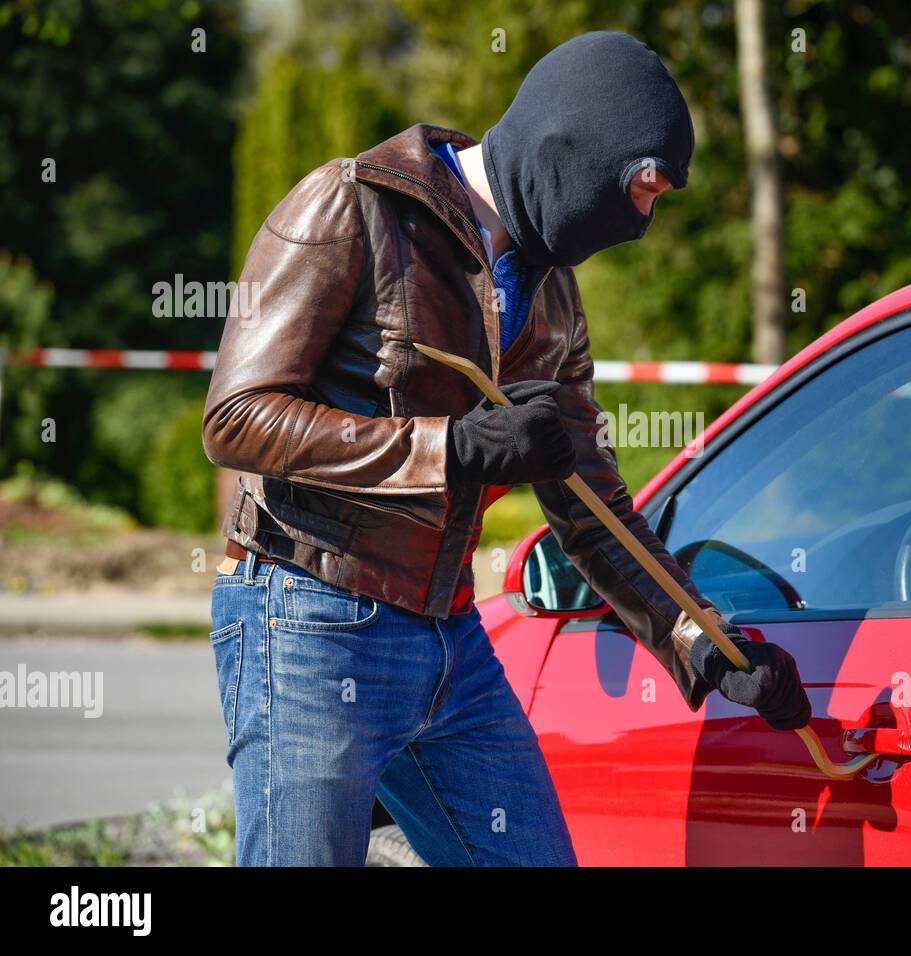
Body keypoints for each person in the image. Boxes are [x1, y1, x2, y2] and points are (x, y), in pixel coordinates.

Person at [201, 30, 811, 867]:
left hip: (451, 638)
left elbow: (593, 508)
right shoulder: (354, 205)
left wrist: (703, 641)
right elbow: (236, 417)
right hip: (309, 615)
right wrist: (450, 449)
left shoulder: (554, 294)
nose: (644, 217)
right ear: (574, 145)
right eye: (642, 187)